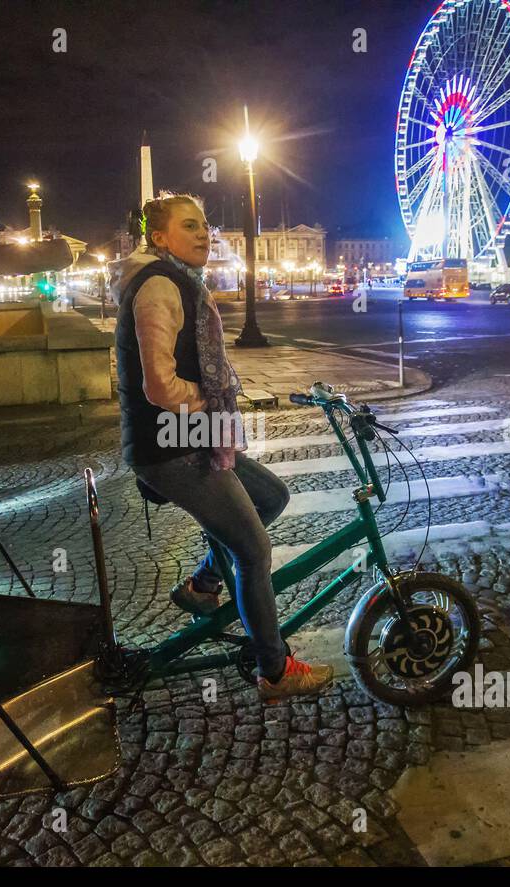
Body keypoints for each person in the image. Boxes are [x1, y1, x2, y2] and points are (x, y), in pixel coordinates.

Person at [111, 191, 333, 701]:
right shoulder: (159, 288)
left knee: (271, 498)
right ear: (159, 237)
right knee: (254, 550)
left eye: (205, 225)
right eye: (189, 226)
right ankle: (274, 671)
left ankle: (202, 585)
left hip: (191, 435)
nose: (203, 234)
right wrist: (213, 401)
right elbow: (159, 387)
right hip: (168, 445)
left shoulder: (182, 282)